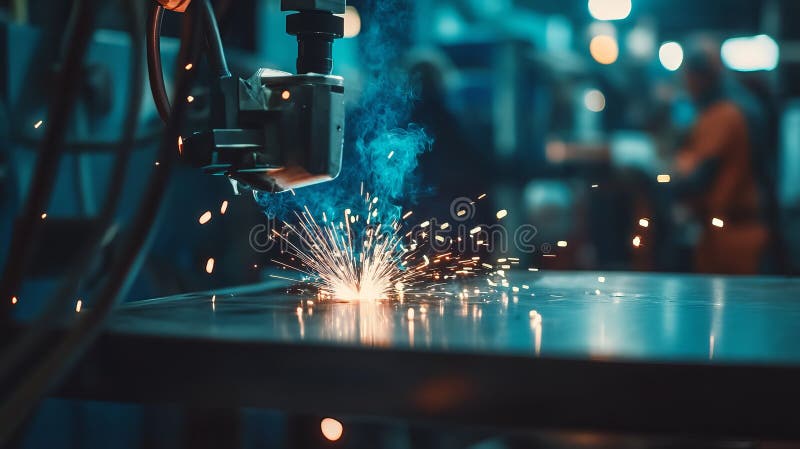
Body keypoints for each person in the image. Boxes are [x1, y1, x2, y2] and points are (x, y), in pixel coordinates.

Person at [672, 39, 769, 274]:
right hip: (732, 229)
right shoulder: (741, 107)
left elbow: (699, 178)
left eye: (686, 77)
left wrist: (666, 177)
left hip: (731, 236)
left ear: (698, 77)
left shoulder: (723, 114)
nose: (685, 86)